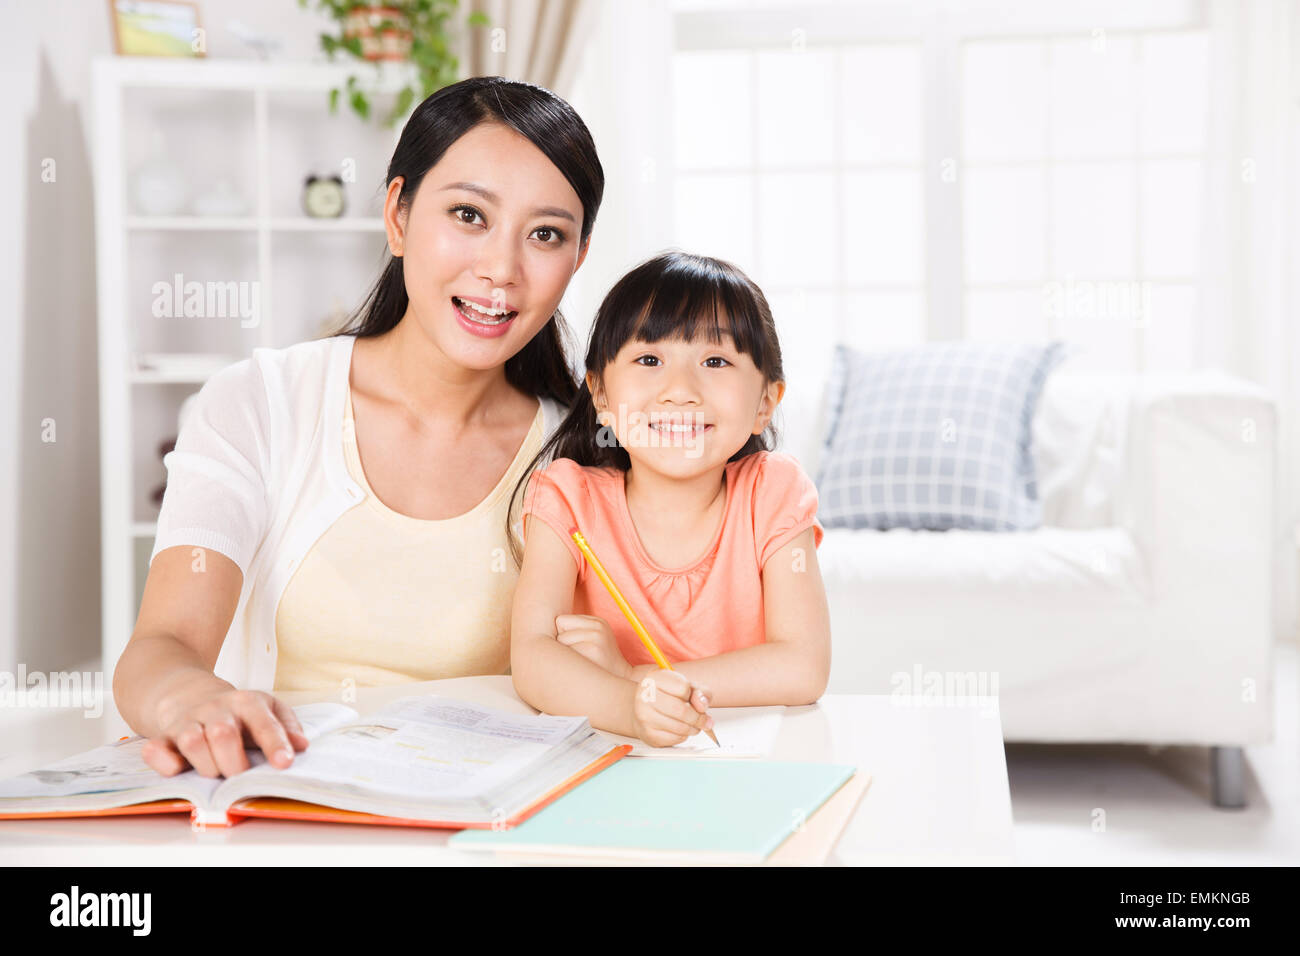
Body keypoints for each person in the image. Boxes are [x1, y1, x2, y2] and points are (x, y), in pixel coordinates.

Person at [112, 76, 604, 779]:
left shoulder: (576, 452)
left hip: (485, 822)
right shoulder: (261, 403)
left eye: (546, 234)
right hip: (287, 810)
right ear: (398, 216)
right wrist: (189, 694)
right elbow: (161, 645)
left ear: (577, 259)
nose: (501, 269)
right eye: (469, 215)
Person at [509, 252, 832, 747]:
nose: (680, 391)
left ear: (764, 404)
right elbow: (532, 659)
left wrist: (635, 679)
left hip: (743, 764)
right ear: (599, 393)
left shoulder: (772, 493)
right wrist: (630, 710)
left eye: (716, 361)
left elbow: (802, 666)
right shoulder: (567, 498)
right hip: (606, 762)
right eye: (650, 360)